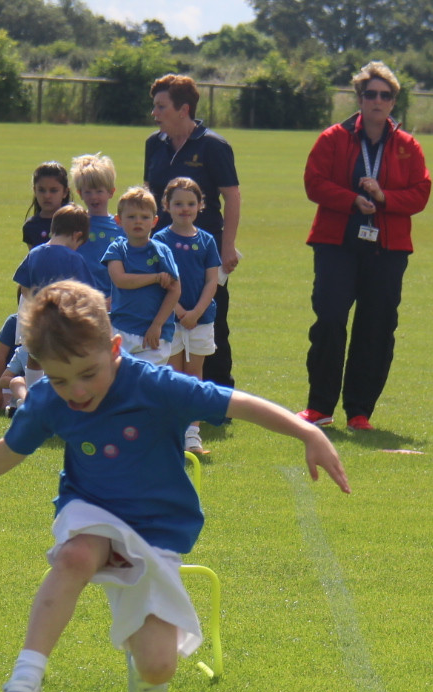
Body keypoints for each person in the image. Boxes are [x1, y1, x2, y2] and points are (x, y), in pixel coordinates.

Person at [0, 281, 350, 692]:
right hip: (91, 506)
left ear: (115, 347)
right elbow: (11, 449)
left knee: (159, 665)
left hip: (156, 527)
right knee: (75, 555)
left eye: (88, 373)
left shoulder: (157, 386)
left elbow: (236, 403)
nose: (77, 391)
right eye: (61, 378)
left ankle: (146, 669)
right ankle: (24, 681)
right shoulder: (49, 399)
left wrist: (308, 432)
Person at [298, 61, 431, 433]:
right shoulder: (333, 138)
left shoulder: (408, 146)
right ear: (359, 98)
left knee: (376, 327)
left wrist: (384, 196)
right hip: (336, 244)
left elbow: (421, 192)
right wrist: (351, 199)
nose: (377, 100)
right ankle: (319, 407)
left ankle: (360, 411)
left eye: (384, 95)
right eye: (370, 94)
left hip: (387, 248)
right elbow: (313, 183)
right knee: (330, 320)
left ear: (393, 102)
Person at [145, 74, 241, 387]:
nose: (155, 113)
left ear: (183, 109)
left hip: (204, 251)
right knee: (162, 316)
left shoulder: (213, 145)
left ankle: (219, 396)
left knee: (211, 321)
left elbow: (232, 195)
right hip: (162, 249)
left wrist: (227, 246)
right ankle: (168, 391)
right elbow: (149, 194)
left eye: (161, 106)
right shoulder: (153, 144)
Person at [156, 177, 223, 458]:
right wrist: (179, 311)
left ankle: (192, 436)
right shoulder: (159, 240)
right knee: (173, 376)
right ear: (167, 206)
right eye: (178, 203)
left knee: (195, 376)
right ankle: (172, 435)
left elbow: (212, 281)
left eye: (191, 203)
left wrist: (195, 312)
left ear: (200, 206)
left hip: (201, 320)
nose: (185, 209)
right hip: (171, 321)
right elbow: (161, 283)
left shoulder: (206, 241)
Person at [101, 186, 179, 366]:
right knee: (119, 383)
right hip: (122, 329)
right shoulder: (117, 249)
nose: (138, 222)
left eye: (144, 217)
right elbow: (121, 280)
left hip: (153, 334)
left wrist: (158, 325)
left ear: (154, 221)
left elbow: (175, 290)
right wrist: (156, 277)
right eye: (131, 217)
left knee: (147, 386)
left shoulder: (161, 251)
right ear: (119, 220)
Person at [70, 153, 120, 292]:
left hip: (112, 298)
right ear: (80, 193)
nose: (94, 197)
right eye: (88, 192)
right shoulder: (76, 224)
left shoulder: (120, 226)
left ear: (111, 192)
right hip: (82, 295)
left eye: (99, 191)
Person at [23, 160, 69, 248]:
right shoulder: (31, 226)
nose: (47, 196)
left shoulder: (75, 221)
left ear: (65, 192)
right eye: (41, 190)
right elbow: (34, 259)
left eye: (53, 190)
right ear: (35, 191)